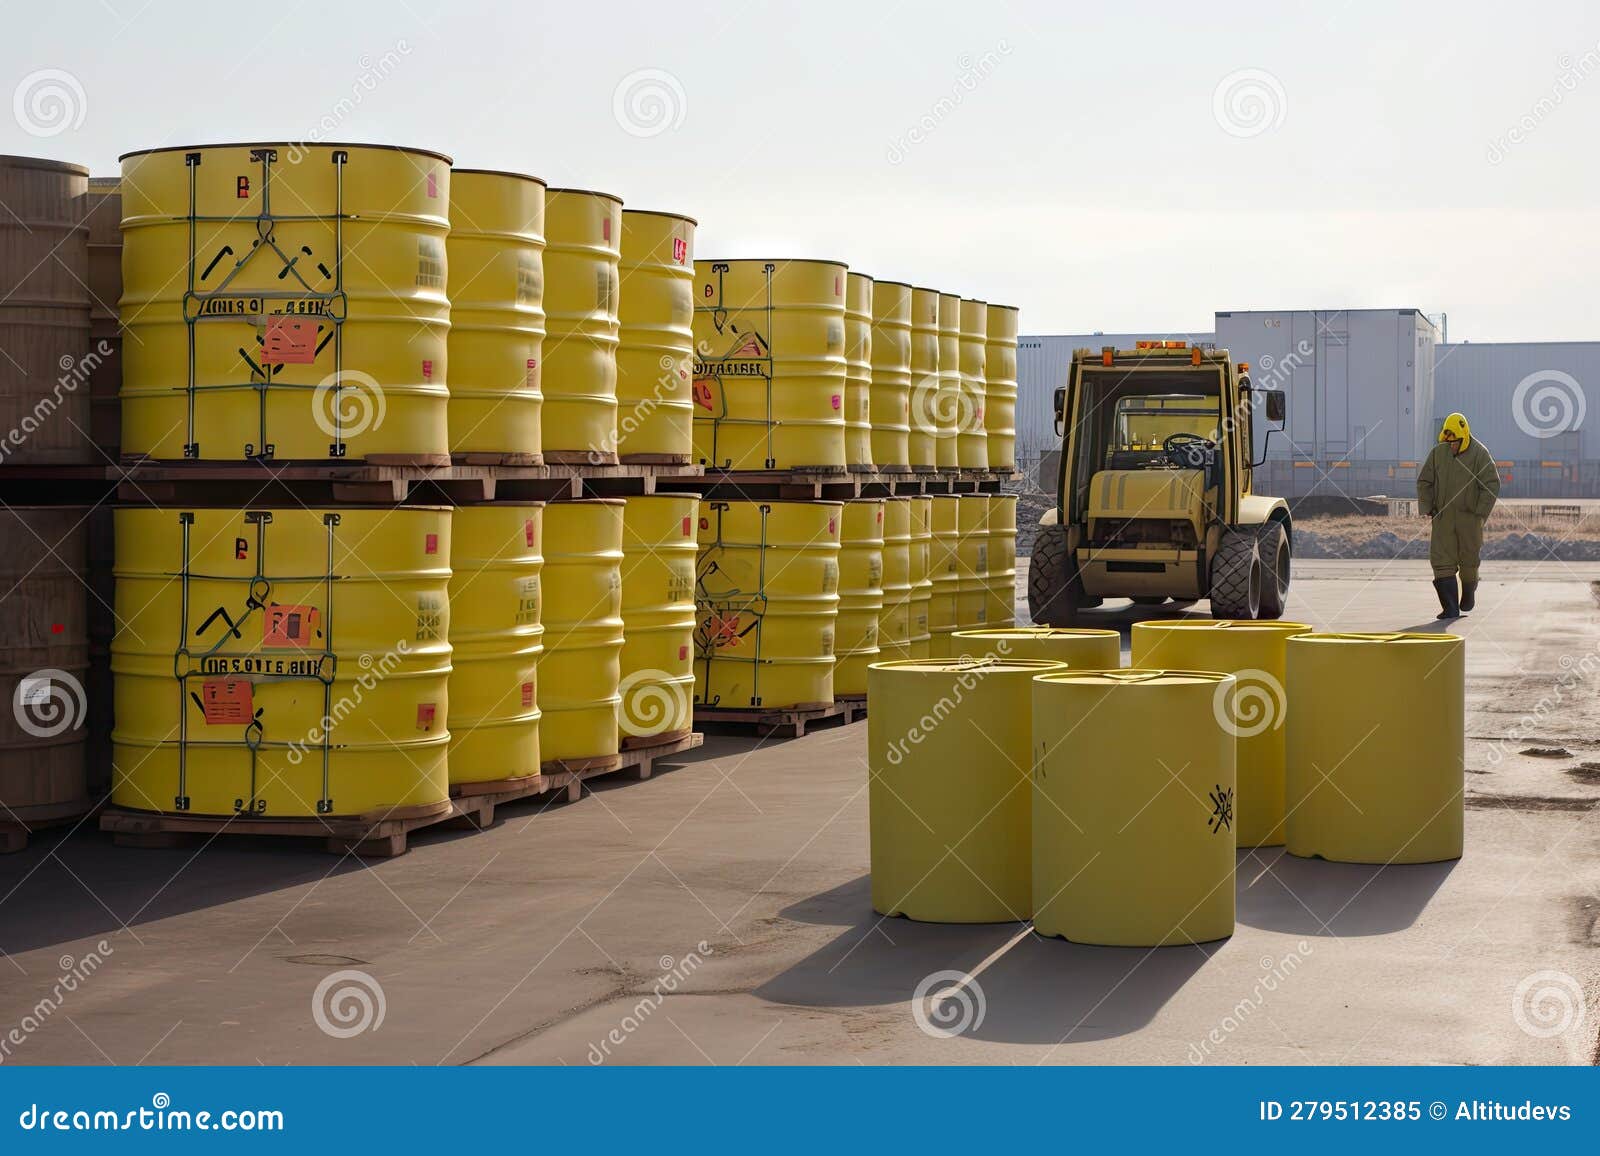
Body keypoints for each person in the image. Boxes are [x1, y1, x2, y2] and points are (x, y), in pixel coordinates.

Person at [1416, 412, 1500, 619]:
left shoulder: (1480, 454)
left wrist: (1479, 513)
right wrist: (1428, 506)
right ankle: (1450, 608)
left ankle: (1469, 591)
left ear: (1464, 435)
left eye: (1455, 442)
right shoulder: (1438, 454)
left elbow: (1491, 484)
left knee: (1469, 560)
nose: (1451, 445)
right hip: (1443, 517)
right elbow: (1424, 482)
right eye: (1449, 442)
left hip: (1469, 519)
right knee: (1441, 560)